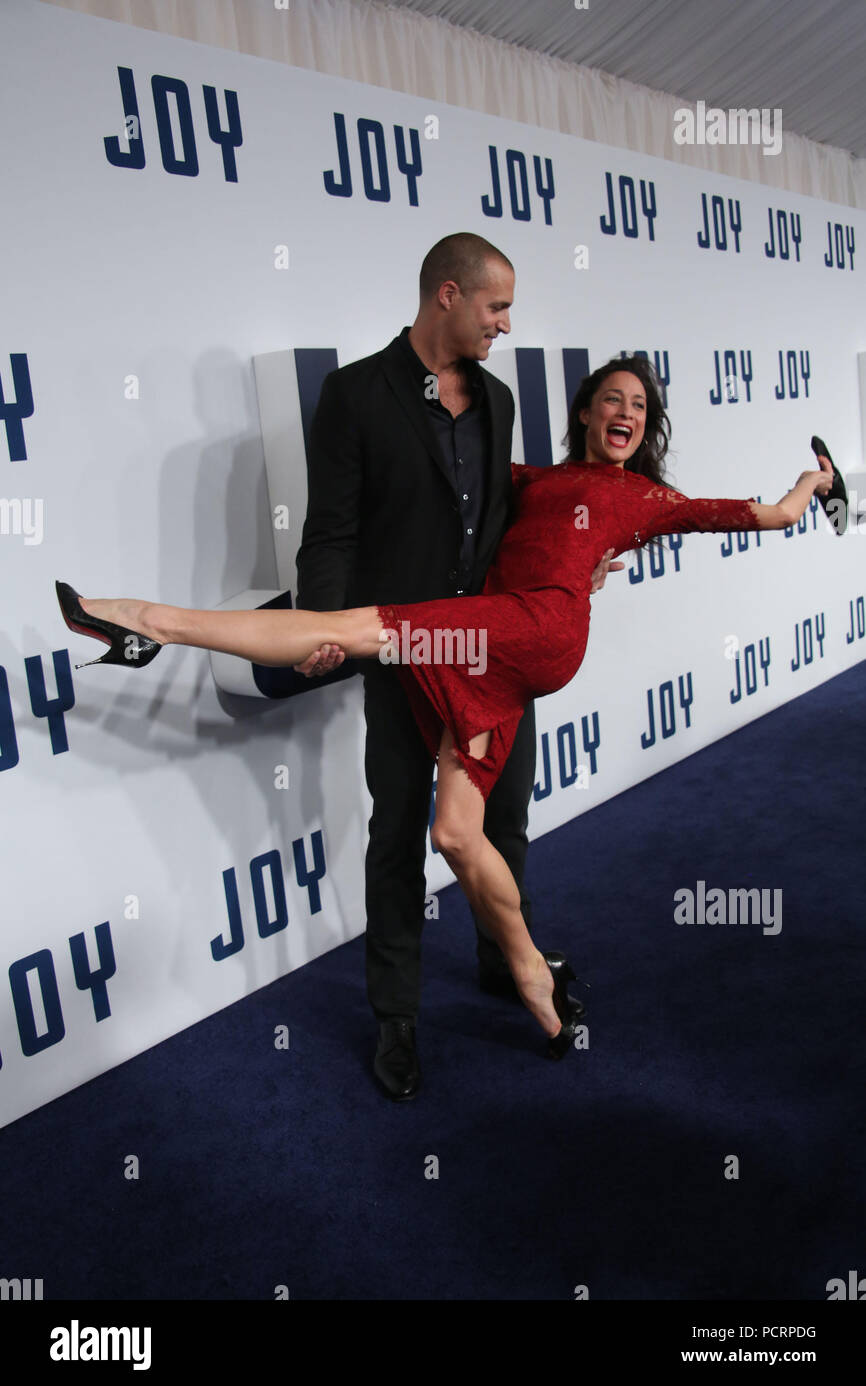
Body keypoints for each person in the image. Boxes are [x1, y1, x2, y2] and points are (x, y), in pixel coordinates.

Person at [54, 356, 834, 1067]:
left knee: (357, 626)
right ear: (587, 415)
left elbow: (762, 515)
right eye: (610, 400)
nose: (624, 412)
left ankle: (147, 623)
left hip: (533, 634)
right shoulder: (531, 478)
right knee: (455, 832)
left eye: (638, 404)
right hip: (485, 658)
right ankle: (533, 980)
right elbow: (465, 507)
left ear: (647, 427)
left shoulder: (645, 496)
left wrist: (815, 484)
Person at [289, 233, 605, 1098]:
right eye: (496, 307)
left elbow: (511, 518)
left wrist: (574, 562)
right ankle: (397, 1016)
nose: (507, 323)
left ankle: (507, 961)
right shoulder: (354, 395)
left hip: (493, 653)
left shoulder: (497, 398)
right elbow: (333, 533)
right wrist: (325, 627)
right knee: (397, 836)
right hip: (405, 656)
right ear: (447, 297)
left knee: (503, 821)